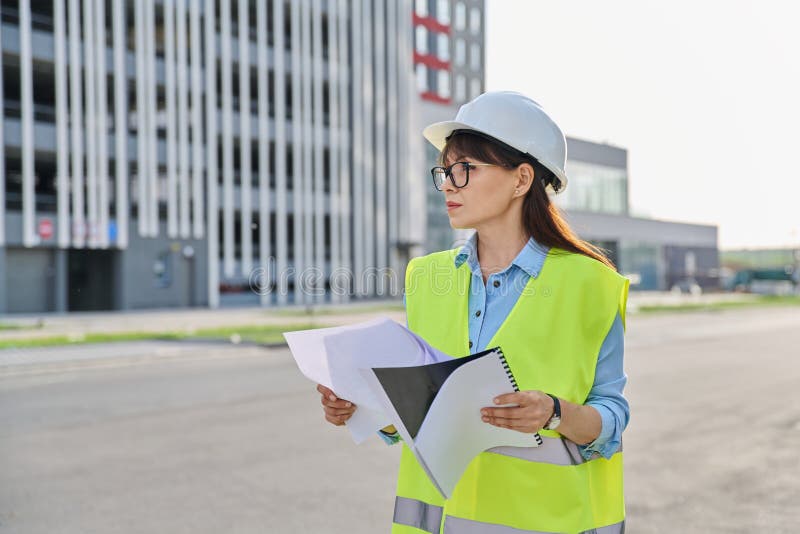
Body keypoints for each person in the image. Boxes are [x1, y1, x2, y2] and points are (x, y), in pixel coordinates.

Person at [317, 91, 630, 534]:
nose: (447, 183)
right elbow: (424, 413)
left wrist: (554, 412)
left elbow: (611, 419)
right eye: (445, 170)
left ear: (522, 179)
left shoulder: (590, 285)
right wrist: (364, 406)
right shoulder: (426, 278)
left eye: (465, 170)